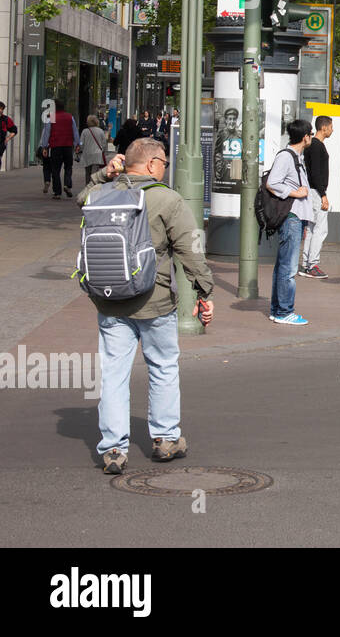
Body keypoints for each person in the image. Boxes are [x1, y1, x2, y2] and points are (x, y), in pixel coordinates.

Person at [78, 139, 214, 474]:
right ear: (152, 164)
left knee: (113, 374)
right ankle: (166, 439)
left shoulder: (102, 194)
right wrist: (204, 292)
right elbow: (190, 251)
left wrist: (103, 175)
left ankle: (113, 449)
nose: (165, 168)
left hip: (110, 301)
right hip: (155, 301)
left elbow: (80, 200)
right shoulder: (166, 198)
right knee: (163, 367)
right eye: (164, 162)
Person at [266, 118, 313, 325]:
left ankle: (278, 309)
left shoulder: (296, 157)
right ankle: (285, 311)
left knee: (283, 265)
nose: (311, 137)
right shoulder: (287, 157)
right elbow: (272, 183)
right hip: (291, 217)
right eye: (310, 134)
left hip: (296, 217)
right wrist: (294, 192)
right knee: (289, 267)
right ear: (305, 137)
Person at [299, 115, 333, 280]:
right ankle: (312, 265)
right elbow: (317, 173)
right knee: (320, 229)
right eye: (331, 127)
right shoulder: (318, 147)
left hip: (311, 191)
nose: (332, 130)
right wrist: (323, 195)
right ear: (324, 128)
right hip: (317, 192)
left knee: (312, 229)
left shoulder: (311, 146)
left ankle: (306, 264)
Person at [39, 99, 79, 199]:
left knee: (55, 169)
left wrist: (44, 146)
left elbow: (47, 133)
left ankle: (57, 192)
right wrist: (77, 144)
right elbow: (75, 131)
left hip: (55, 146)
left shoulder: (51, 117)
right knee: (68, 166)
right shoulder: (70, 117)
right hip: (68, 146)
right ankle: (67, 184)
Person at [80, 114, 110, 185]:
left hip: (87, 155)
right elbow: (104, 143)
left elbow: (81, 143)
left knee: (87, 173)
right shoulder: (100, 131)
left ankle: (87, 187)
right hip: (97, 155)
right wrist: (103, 152)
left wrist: (81, 149)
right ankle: (93, 187)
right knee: (94, 174)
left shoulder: (84, 131)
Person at [0, 101, 17, 172]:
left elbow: (14, 130)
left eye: (1, 109)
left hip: (1, 143)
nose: (0, 110)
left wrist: (8, 138)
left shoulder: (6, 119)